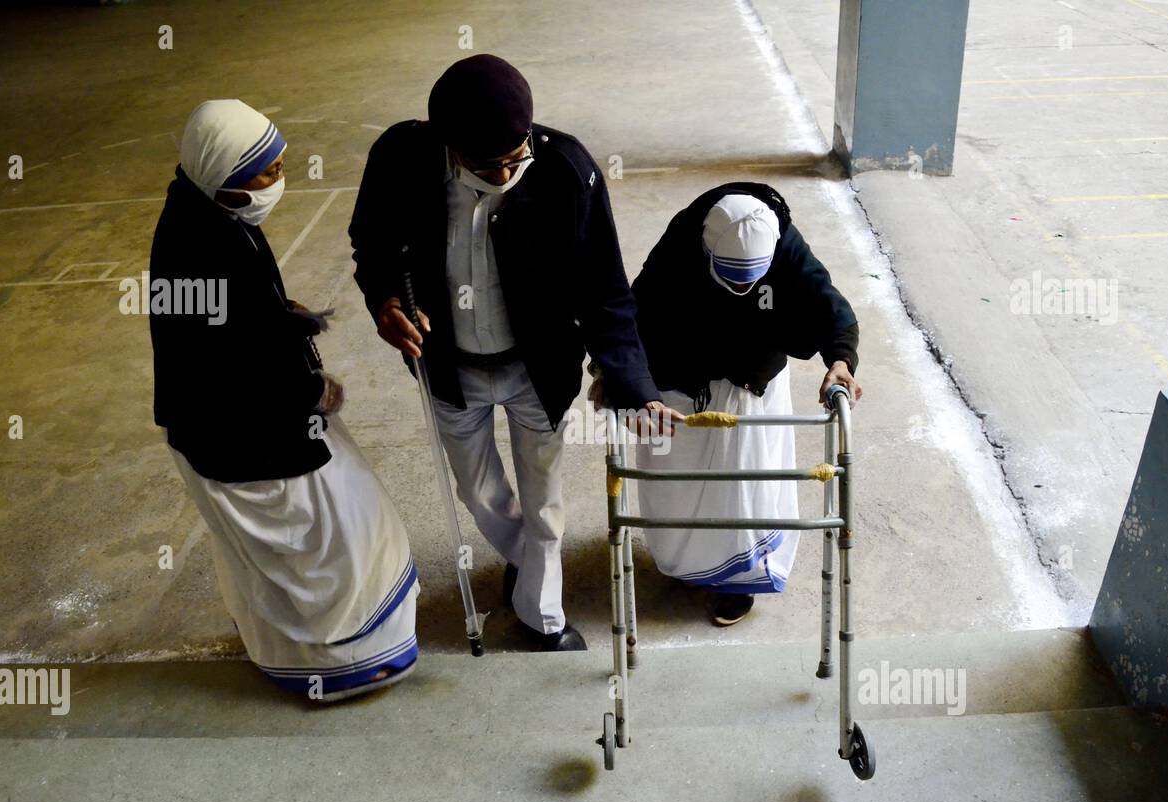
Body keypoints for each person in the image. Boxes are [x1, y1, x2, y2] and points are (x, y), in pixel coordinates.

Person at [349, 55, 680, 652]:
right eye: (487, 164)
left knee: (544, 499)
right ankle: (526, 563)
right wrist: (385, 302)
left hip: (538, 369)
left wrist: (635, 386)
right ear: (449, 148)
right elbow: (370, 243)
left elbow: (605, 289)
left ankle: (542, 619)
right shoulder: (401, 160)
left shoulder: (565, 170)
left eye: (515, 156)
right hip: (448, 368)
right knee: (478, 494)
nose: (506, 172)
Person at [150, 99, 420, 700]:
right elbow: (235, 363)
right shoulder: (206, 249)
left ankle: (304, 653)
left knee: (291, 550)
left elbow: (229, 327)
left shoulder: (202, 209)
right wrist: (313, 391)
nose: (279, 181)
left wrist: (279, 315)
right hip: (243, 438)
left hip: (230, 423)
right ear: (224, 172)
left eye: (279, 165)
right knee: (344, 535)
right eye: (266, 172)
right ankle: (348, 662)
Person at [628, 182, 862, 626]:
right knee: (675, 486)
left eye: (749, 280)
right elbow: (631, 315)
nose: (739, 290)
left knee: (741, 490)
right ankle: (687, 565)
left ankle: (739, 580)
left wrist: (841, 361)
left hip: (749, 384)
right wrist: (622, 381)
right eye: (729, 277)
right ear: (706, 248)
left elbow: (829, 305)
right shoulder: (680, 245)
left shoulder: (785, 245)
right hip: (680, 386)